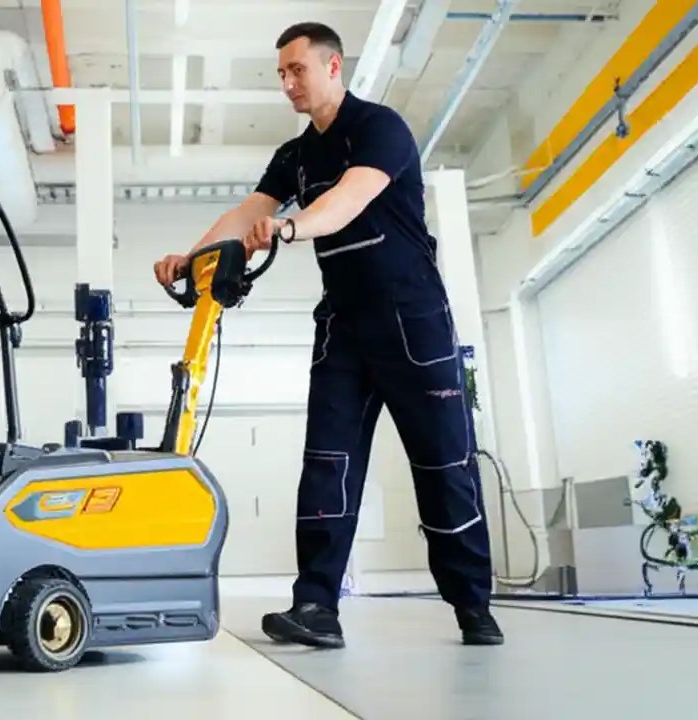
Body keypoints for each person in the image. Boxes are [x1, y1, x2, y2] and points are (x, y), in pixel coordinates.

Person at [153, 22, 504, 649]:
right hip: (344, 323)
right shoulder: (294, 156)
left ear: (332, 66)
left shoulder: (379, 128)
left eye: (297, 70)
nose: (288, 83)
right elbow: (248, 213)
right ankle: (316, 605)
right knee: (328, 464)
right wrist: (192, 253)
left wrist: (292, 229)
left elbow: (348, 199)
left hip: (411, 320)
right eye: (281, 74)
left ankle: (473, 606)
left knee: (443, 464)